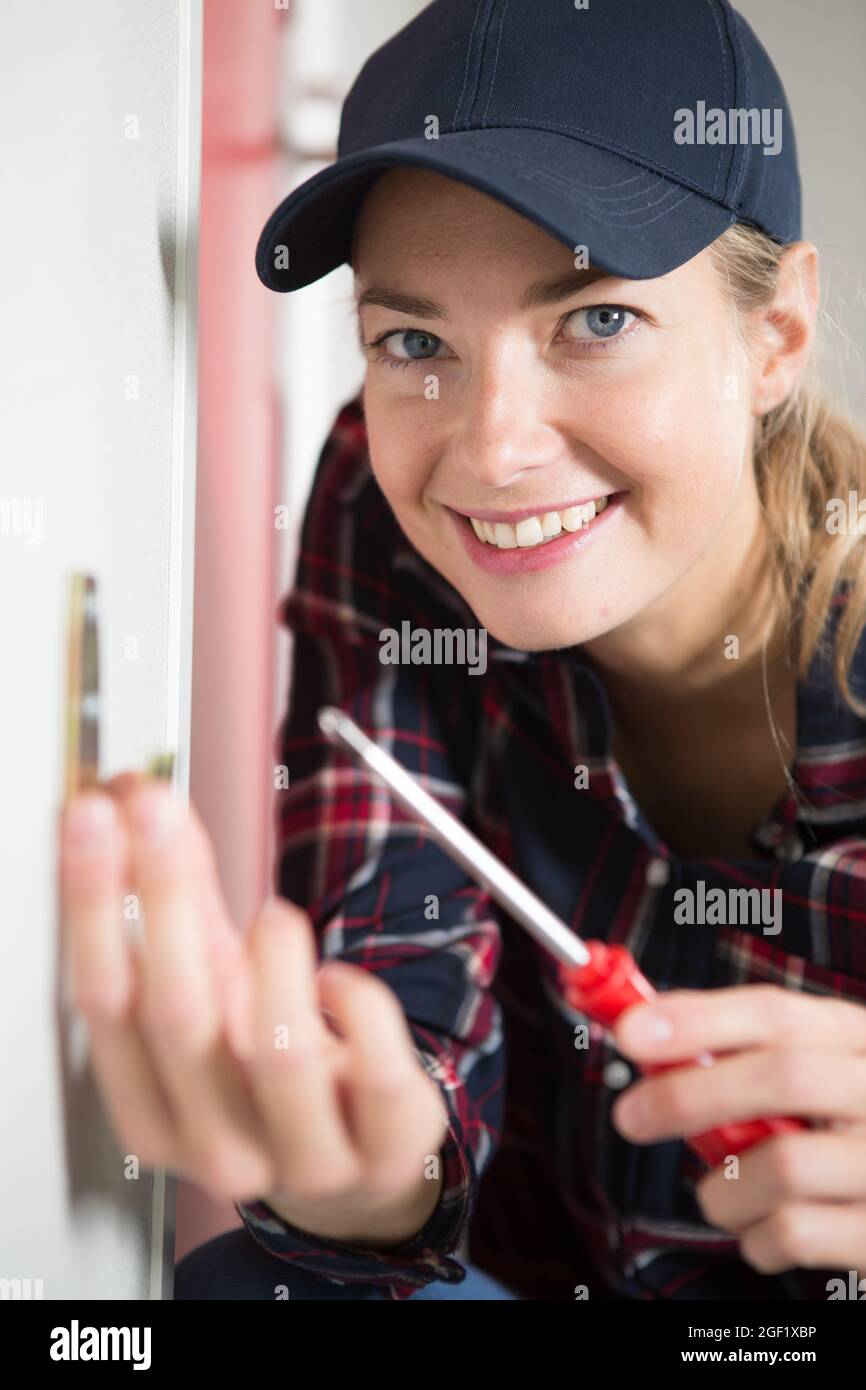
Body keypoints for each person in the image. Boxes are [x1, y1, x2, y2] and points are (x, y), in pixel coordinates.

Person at [60, 0, 866, 1301]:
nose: (489, 451)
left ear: (771, 339)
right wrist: (368, 1176)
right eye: (415, 343)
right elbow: (400, 976)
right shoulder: (385, 512)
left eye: (594, 321)